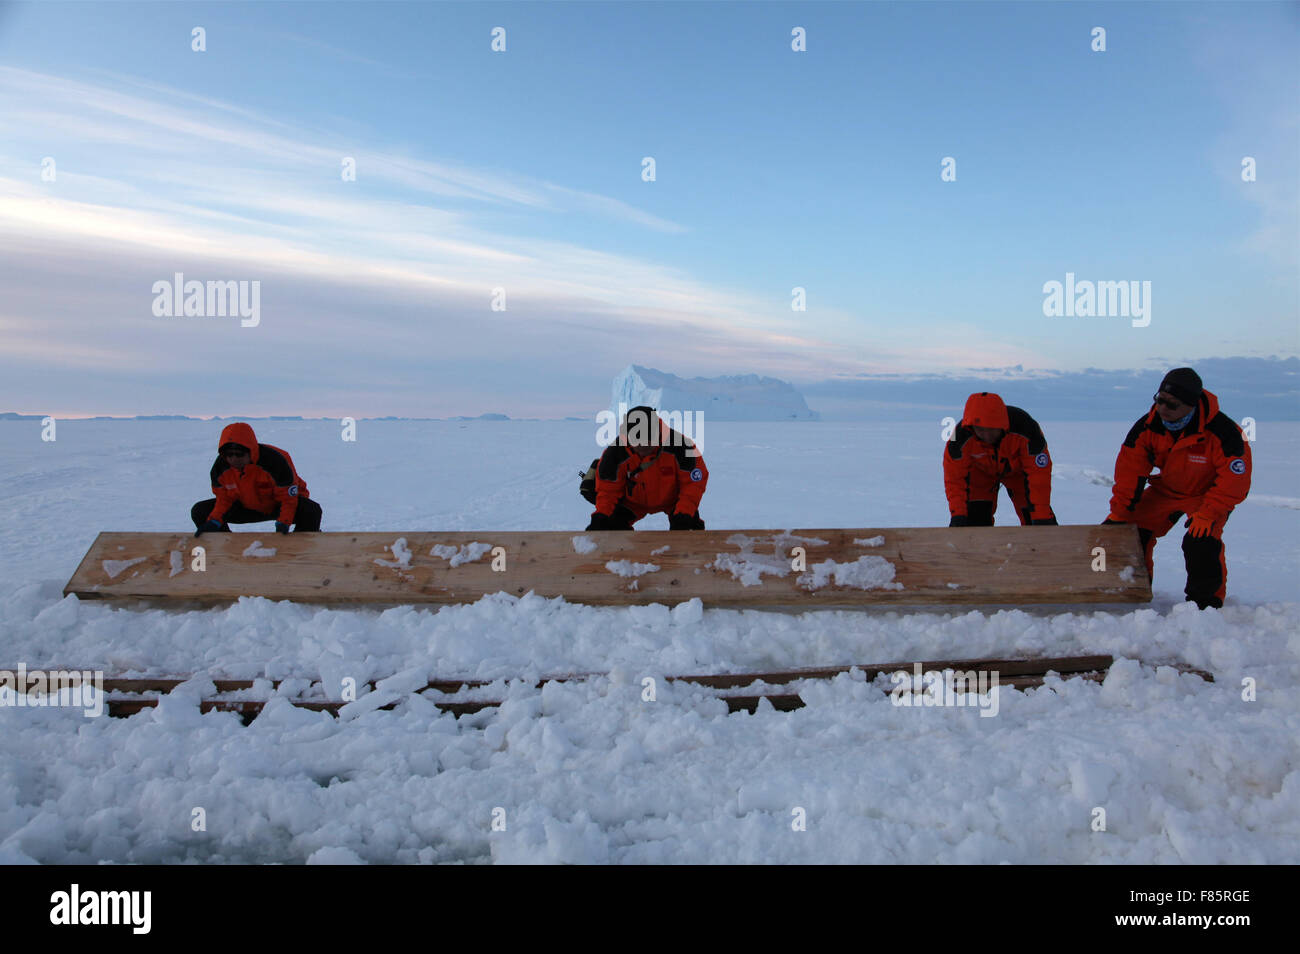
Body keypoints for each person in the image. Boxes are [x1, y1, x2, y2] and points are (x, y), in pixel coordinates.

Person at [1104, 368, 1250, 609]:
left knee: (1200, 541)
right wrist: (1119, 514)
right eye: (1159, 400)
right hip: (1166, 492)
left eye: (1172, 405)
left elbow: (1235, 482)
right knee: (1130, 534)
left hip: (1207, 496)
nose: (1162, 408)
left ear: (1191, 406)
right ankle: (1133, 592)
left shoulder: (1225, 433)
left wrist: (1209, 514)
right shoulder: (1148, 426)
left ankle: (1204, 605)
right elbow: (1129, 472)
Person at [943, 392, 1058, 527]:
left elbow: (1038, 476)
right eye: (980, 429)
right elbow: (954, 480)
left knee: (1037, 519)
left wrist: (1042, 517)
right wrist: (958, 515)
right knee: (974, 523)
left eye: (991, 429)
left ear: (1002, 424)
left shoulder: (1026, 428)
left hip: (1019, 474)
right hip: (980, 475)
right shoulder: (958, 438)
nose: (986, 435)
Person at [584, 405, 708, 530]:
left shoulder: (681, 447)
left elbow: (693, 484)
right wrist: (602, 514)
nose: (642, 446)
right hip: (632, 503)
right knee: (608, 526)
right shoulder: (615, 453)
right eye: (637, 440)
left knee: (689, 526)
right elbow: (608, 490)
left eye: (648, 439)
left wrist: (685, 511)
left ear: (657, 433)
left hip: (673, 501)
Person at [191, 422, 321, 535]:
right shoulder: (220, 468)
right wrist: (214, 520)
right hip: (245, 505)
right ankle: (226, 548)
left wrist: (284, 522)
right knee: (200, 511)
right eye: (229, 455)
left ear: (250, 451)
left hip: (277, 505)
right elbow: (224, 498)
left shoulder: (275, 461)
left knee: (311, 510)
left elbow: (288, 498)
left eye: (239, 454)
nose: (234, 459)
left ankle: (300, 551)